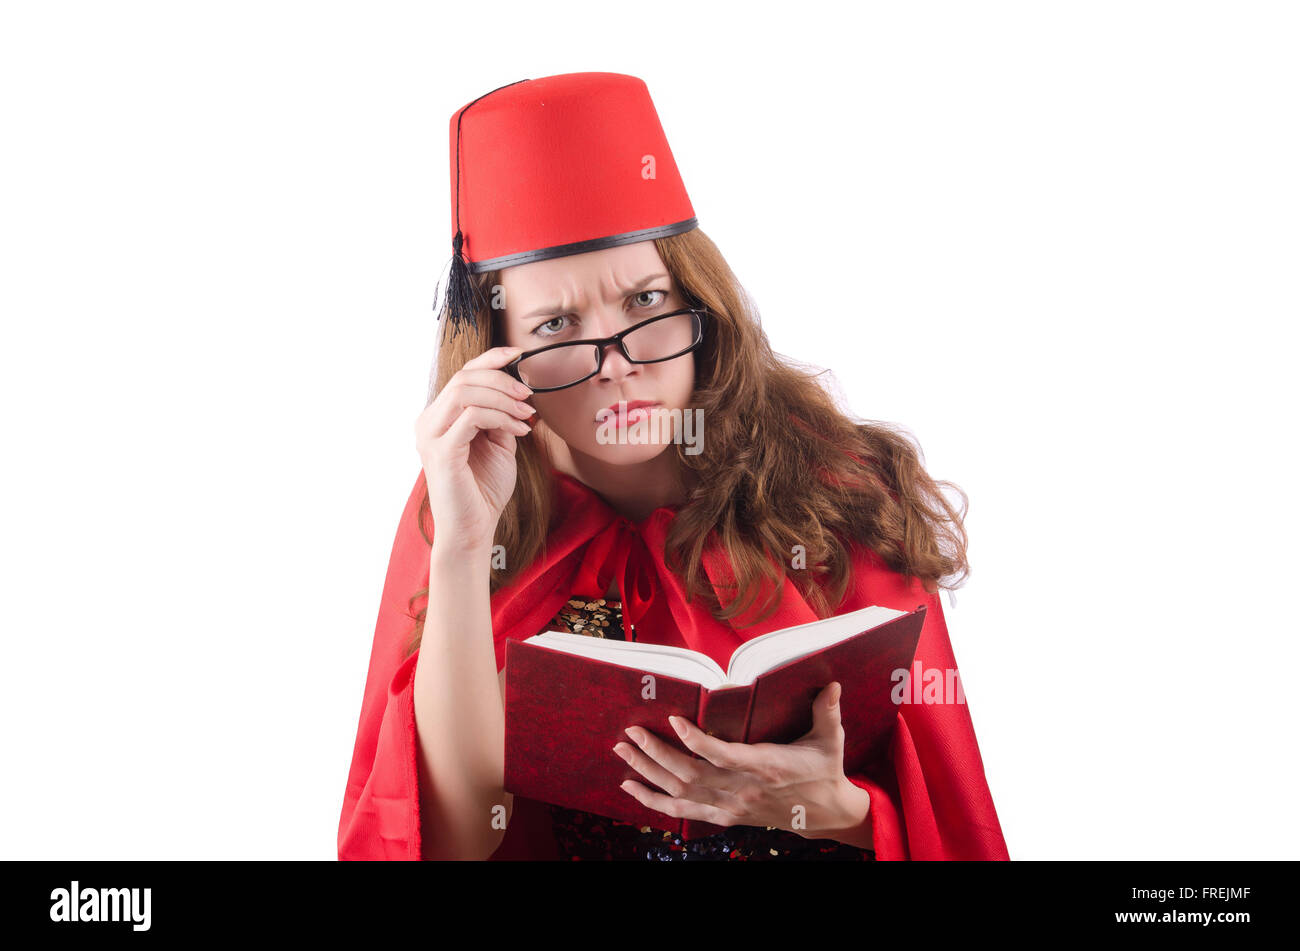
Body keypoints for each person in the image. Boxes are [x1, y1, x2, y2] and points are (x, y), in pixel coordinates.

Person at [337, 72, 1009, 861]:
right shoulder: (462, 498)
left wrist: (837, 811)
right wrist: (458, 546)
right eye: (557, 323)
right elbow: (447, 843)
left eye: (647, 304)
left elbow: (949, 815)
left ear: (700, 303)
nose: (617, 364)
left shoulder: (840, 484)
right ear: (497, 355)